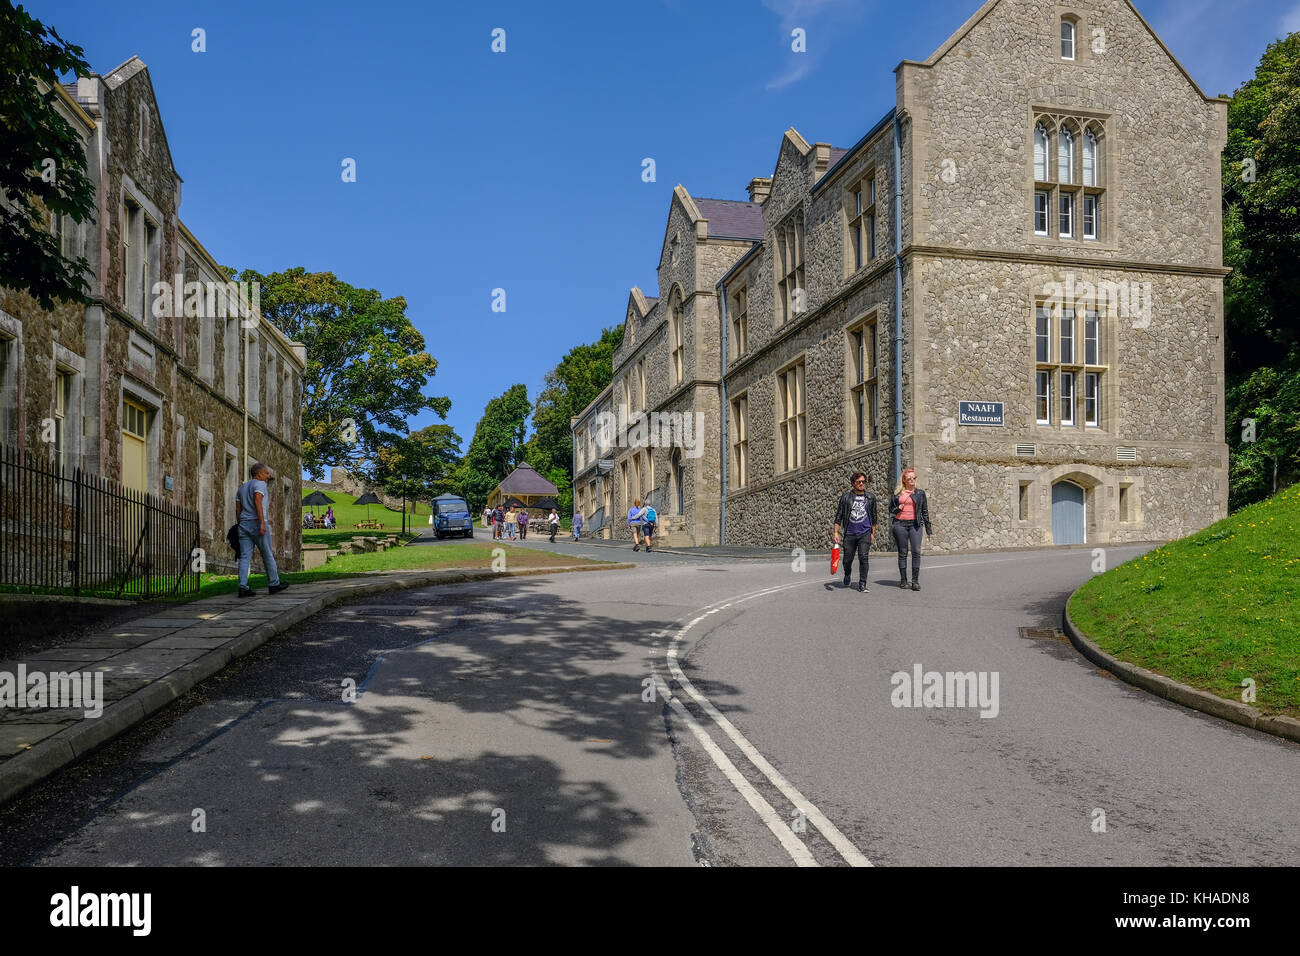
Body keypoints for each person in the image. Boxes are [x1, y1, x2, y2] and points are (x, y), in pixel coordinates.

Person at [235, 462, 289, 598]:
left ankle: (243, 586)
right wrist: (262, 523)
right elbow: (258, 500)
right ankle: (274, 584)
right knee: (267, 554)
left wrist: (239, 523)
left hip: (244, 524)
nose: (268, 476)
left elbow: (238, 508)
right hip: (257, 523)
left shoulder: (241, 488)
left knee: (245, 557)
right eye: (266, 473)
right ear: (259, 474)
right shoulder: (260, 484)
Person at [832, 471, 877, 592]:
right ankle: (847, 573)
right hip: (850, 533)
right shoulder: (846, 497)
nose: (862, 484)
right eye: (859, 482)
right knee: (847, 559)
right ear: (853, 483)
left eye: (863, 481)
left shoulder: (870, 498)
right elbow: (839, 516)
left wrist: (872, 533)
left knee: (863, 557)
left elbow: (874, 517)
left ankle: (862, 583)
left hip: (865, 533)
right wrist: (836, 533)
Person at [890, 466, 933, 590]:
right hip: (900, 524)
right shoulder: (898, 494)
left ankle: (915, 582)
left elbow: (925, 511)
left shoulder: (920, 493)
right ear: (904, 480)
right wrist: (899, 508)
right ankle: (903, 581)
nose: (912, 480)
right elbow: (891, 510)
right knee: (903, 553)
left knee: (916, 552)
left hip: (915, 525)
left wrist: (928, 529)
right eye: (909, 478)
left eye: (914, 478)